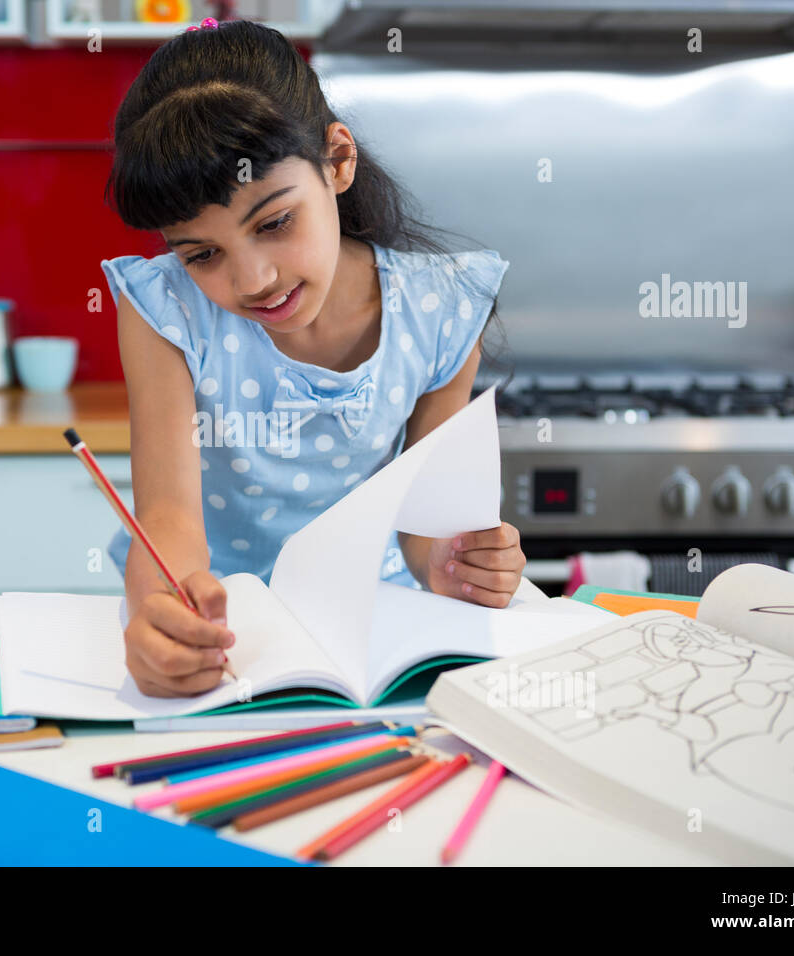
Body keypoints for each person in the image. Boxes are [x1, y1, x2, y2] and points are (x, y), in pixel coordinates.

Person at [100, 18, 525, 697]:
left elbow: (427, 525)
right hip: (219, 626)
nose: (253, 281)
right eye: (203, 254)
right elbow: (170, 519)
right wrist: (167, 615)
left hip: (370, 626)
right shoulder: (167, 311)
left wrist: (453, 563)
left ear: (338, 161)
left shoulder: (443, 309)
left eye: (274, 224)